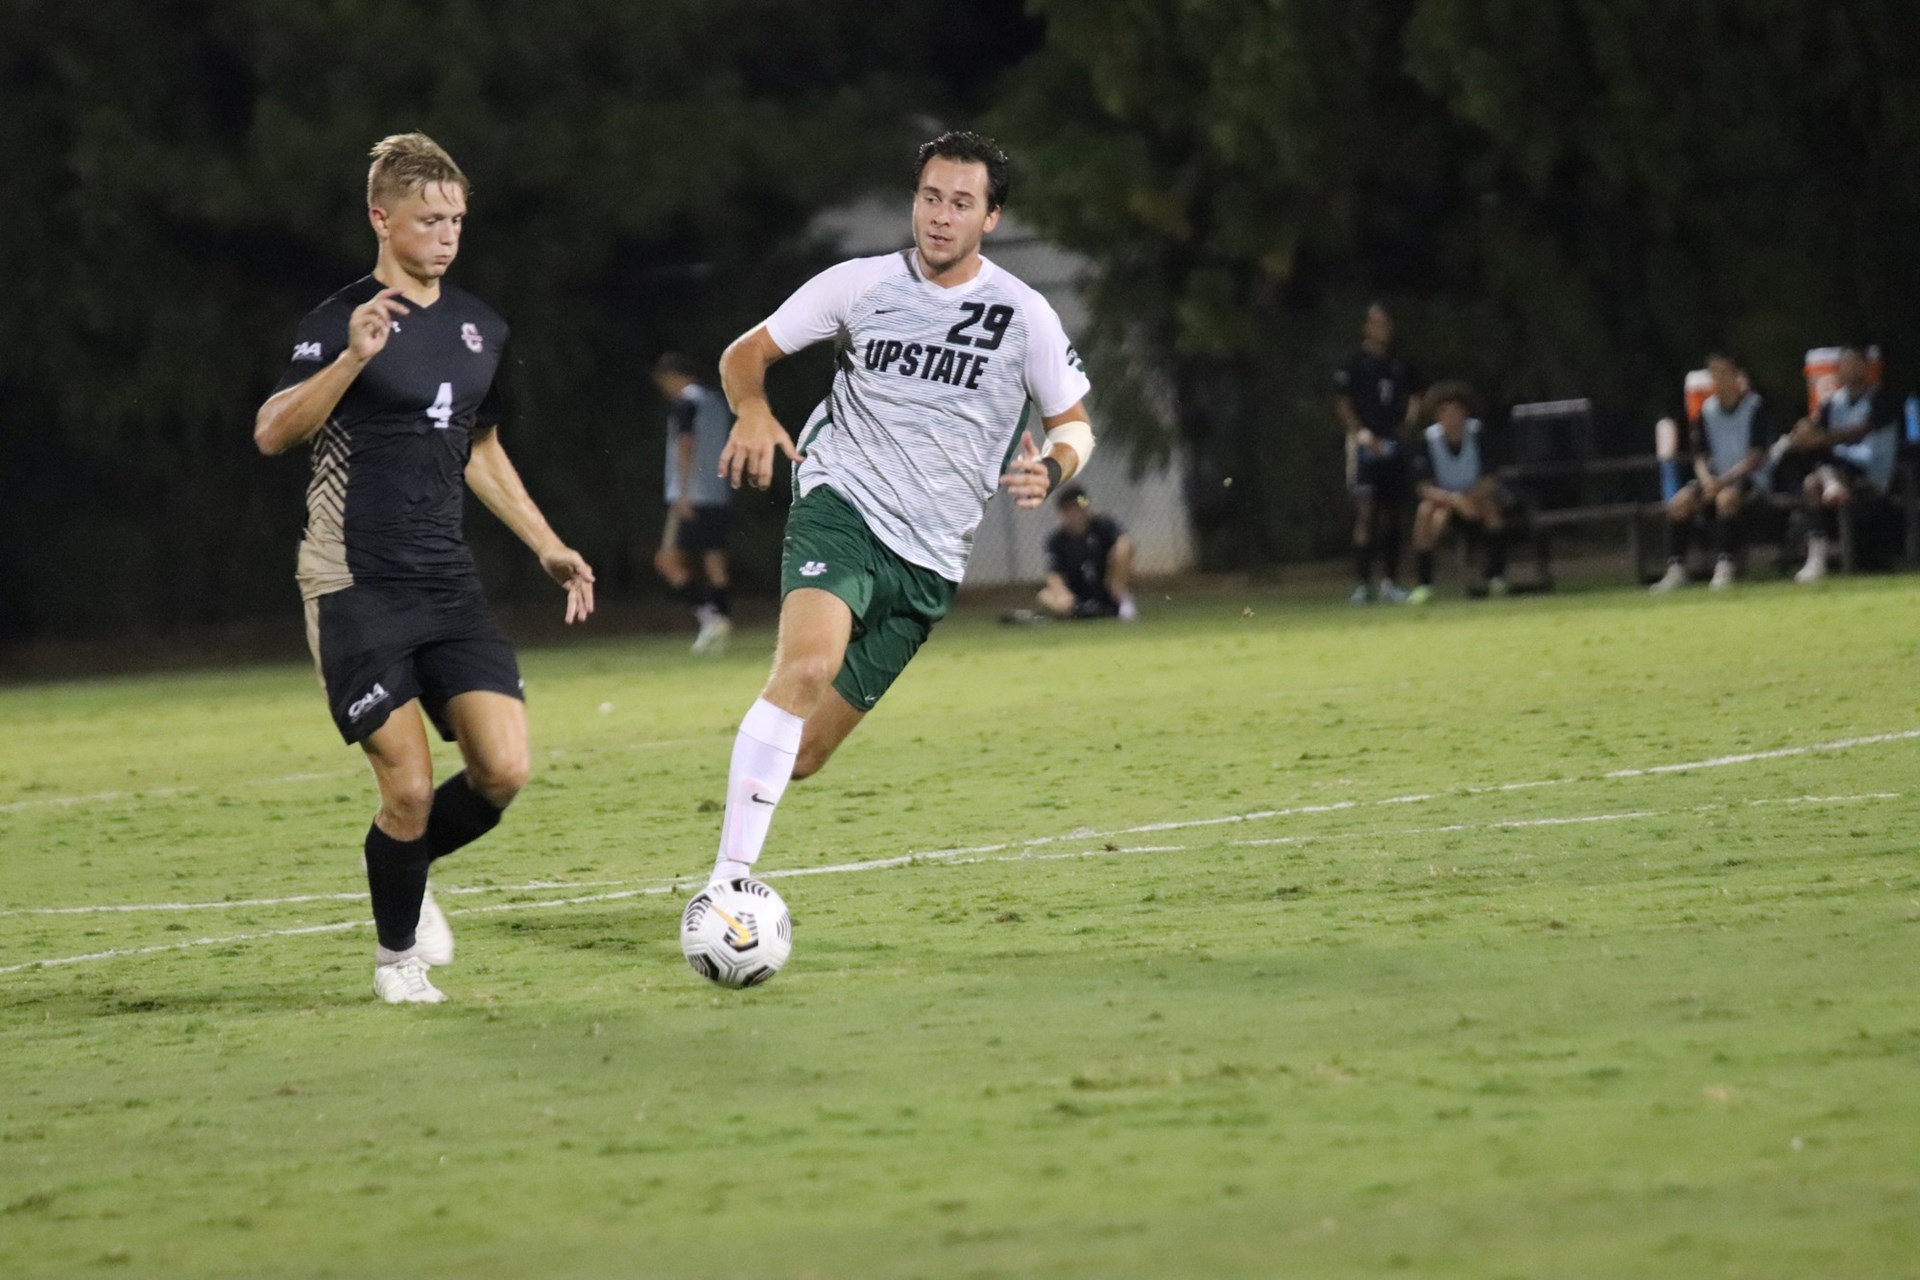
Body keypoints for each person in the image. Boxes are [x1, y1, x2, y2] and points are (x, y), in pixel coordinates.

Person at [253, 134, 595, 1005]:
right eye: (428, 220)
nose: (446, 236)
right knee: (404, 784)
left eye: (456, 221)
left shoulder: (483, 326)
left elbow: (478, 445)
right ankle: (397, 958)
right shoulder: (341, 320)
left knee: (504, 769)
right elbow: (272, 431)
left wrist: (545, 542)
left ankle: (406, 866)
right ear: (381, 218)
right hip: (353, 580)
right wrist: (353, 358)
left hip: (447, 582)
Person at [704, 130, 1095, 886]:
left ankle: (745, 804)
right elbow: (743, 354)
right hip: (841, 504)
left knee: (807, 752)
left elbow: (1074, 422)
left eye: (961, 203)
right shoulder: (859, 284)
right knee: (808, 664)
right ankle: (728, 886)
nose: (940, 217)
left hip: (930, 564)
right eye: (929, 198)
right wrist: (752, 410)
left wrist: (1052, 465)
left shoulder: (1023, 314)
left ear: (991, 218)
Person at [1650, 352, 1770, 592]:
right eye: (1713, 374)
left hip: (1747, 480)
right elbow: (1701, 456)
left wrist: (1723, 482)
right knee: (1680, 503)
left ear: (1736, 376)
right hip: (1714, 480)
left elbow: (1756, 457)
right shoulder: (1707, 410)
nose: (1717, 379)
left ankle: (1726, 565)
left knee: (1727, 499)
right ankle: (1676, 569)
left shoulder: (1755, 407)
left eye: (1723, 373)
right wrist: (1707, 481)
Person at [1780, 345, 1900, 582]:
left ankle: (1830, 483)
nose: (1851, 369)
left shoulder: (1883, 397)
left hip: (1869, 470)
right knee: (1811, 480)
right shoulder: (1833, 403)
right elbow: (1816, 431)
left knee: (1819, 466)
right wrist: (1801, 434)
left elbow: (1862, 431)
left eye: (1856, 363)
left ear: (1867, 367)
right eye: (1846, 364)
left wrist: (1823, 437)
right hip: (1837, 469)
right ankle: (1817, 555)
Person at [1334, 304, 1425, 605]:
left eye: (1386, 323)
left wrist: (1407, 426)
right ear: (1366, 328)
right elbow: (1343, 404)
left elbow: (1416, 395)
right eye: (1376, 323)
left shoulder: (1400, 361)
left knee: (1393, 515)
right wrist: (1362, 435)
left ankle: (1390, 583)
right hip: (1365, 446)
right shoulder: (1354, 363)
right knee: (1365, 511)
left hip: (1393, 445)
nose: (1382, 329)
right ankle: (1362, 584)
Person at [651, 351, 735, 653]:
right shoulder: (716, 402)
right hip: (718, 491)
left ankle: (709, 617)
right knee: (715, 561)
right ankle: (720, 624)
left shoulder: (686, 403)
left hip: (690, 492)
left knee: (666, 560)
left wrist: (684, 493)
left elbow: (686, 444)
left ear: (672, 376)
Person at [1407, 382, 1509, 604]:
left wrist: (1469, 498)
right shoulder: (1428, 440)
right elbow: (1424, 487)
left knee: (1492, 509)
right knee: (1426, 513)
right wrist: (1454, 500)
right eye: (1445, 411)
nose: (1452, 416)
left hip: (1476, 497)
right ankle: (1425, 585)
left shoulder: (1479, 433)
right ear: (1437, 415)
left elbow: (1490, 479)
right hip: (1445, 499)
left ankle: (1496, 578)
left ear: (1465, 412)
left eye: (1456, 410)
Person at [1036, 484, 1137, 620]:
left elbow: (1125, 545)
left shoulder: (1103, 526)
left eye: (1080, 506)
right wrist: (1064, 596)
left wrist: (1115, 581)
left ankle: (1122, 600)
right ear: (1062, 511)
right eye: (1070, 508)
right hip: (1077, 596)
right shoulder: (1056, 540)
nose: (1076, 512)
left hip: (1106, 589)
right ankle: (1079, 612)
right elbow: (1054, 575)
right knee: (1045, 596)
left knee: (1125, 544)